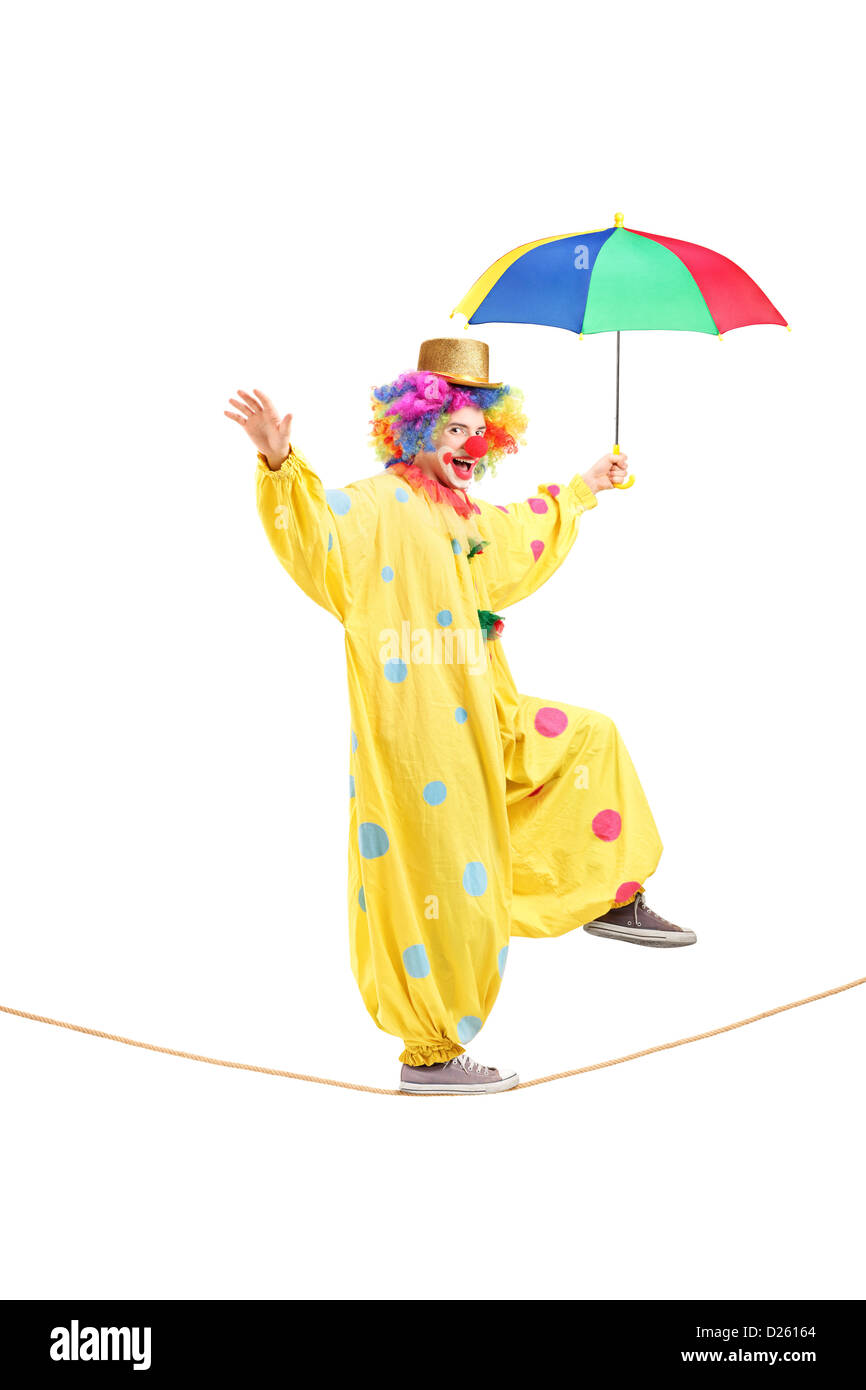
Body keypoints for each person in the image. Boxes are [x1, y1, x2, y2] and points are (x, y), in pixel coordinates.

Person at [225, 337, 694, 1096]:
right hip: (421, 738)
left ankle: (611, 894)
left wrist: (584, 487)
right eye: (453, 431)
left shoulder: (469, 517)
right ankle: (430, 1052)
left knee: (589, 737)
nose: (471, 445)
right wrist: (280, 464)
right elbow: (315, 537)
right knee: (441, 879)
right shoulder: (376, 507)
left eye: (481, 431)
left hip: (491, 713)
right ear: (415, 432)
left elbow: (521, 540)